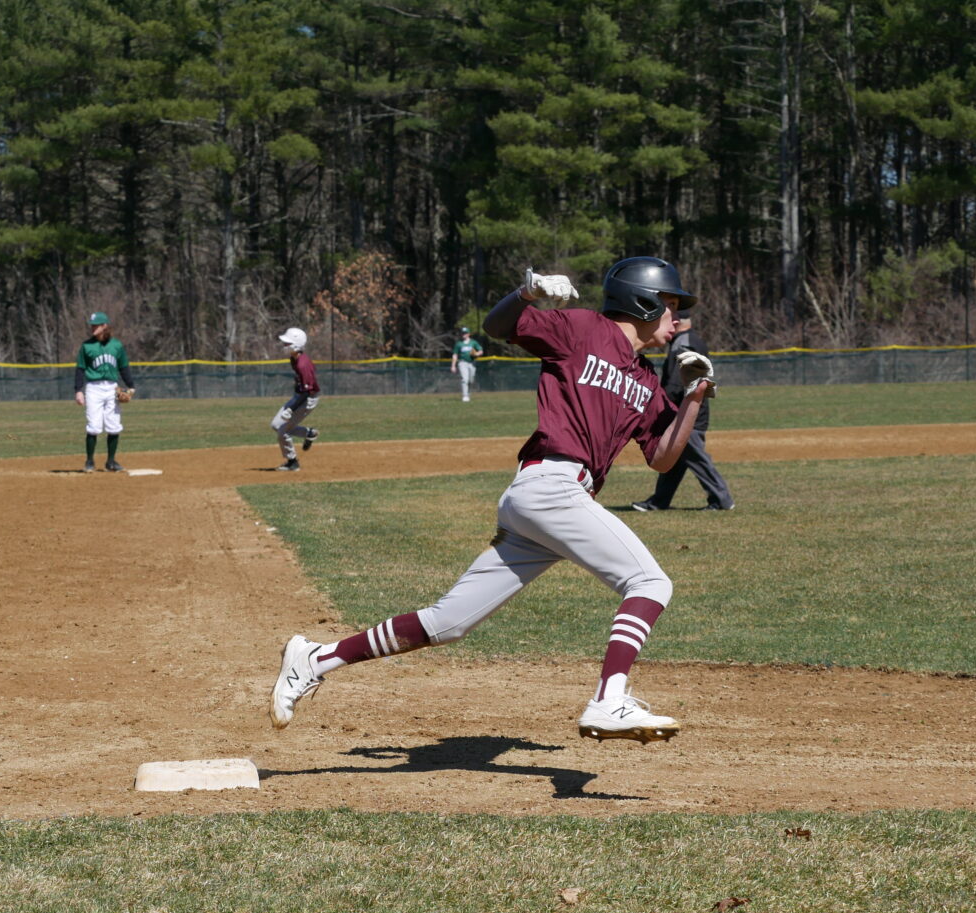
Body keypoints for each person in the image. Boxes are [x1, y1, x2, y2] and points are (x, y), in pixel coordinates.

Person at [269, 257, 717, 742]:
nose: (679, 321)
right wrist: (527, 294)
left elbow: (663, 460)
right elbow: (500, 326)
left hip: (552, 505)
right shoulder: (584, 328)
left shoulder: (648, 380)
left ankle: (314, 658)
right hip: (550, 485)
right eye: (672, 307)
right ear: (643, 301)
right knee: (649, 582)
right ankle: (610, 699)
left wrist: (694, 397)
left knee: (448, 622)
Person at [632, 309, 735, 511]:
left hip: (686, 414)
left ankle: (722, 500)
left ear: (677, 321)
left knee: (696, 458)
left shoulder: (684, 342)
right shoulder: (692, 339)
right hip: (689, 411)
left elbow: (678, 383)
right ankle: (659, 501)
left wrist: (661, 407)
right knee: (676, 459)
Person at [75, 311, 136, 473]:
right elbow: (80, 369)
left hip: (111, 387)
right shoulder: (86, 346)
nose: (92, 327)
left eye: (96, 325)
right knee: (93, 426)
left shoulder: (116, 345)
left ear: (105, 326)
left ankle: (111, 462)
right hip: (93, 388)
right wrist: (78, 391)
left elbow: (123, 367)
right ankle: (89, 461)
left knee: (114, 425)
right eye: (92, 325)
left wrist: (131, 386)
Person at [272, 326, 321, 472]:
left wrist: (291, 409)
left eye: (287, 343)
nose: (284, 346)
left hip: (308, 399)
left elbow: (307, 392)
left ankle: (292, 462)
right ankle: (309, 433)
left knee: (283, 431)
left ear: (296, 345)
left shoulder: (302, 364)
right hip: (300, 396)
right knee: (275, 424)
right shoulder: (294, 359)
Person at [450, 325, 483, 401]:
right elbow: (455, 355)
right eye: (462, 333)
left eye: (465, 333)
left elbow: (481, 351)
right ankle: (465, 395)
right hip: (462, 363)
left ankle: (468, 393)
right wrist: (453, 366)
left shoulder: (473, 343)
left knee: (471, 380)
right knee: (465, 379)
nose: (463, 334)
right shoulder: (459, 344)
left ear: (468, 334)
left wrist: (477, 354)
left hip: (472, 363)